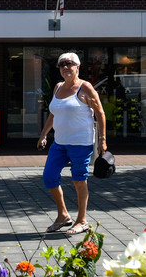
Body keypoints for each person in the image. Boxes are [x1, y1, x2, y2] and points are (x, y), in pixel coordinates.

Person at [35, 52, 108, 234]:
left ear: (78, 67)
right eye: (62, 64)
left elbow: (100, 113)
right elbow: (54, 113)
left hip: (80, 143)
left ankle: (82, 220)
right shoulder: (58, 87)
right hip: (59, 143)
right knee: (49, 177)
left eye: (70, 64)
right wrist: (44, 134)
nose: (66, 67)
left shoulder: (85, 88)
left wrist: (103, 140)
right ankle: (63, 215)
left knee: (78, 179)